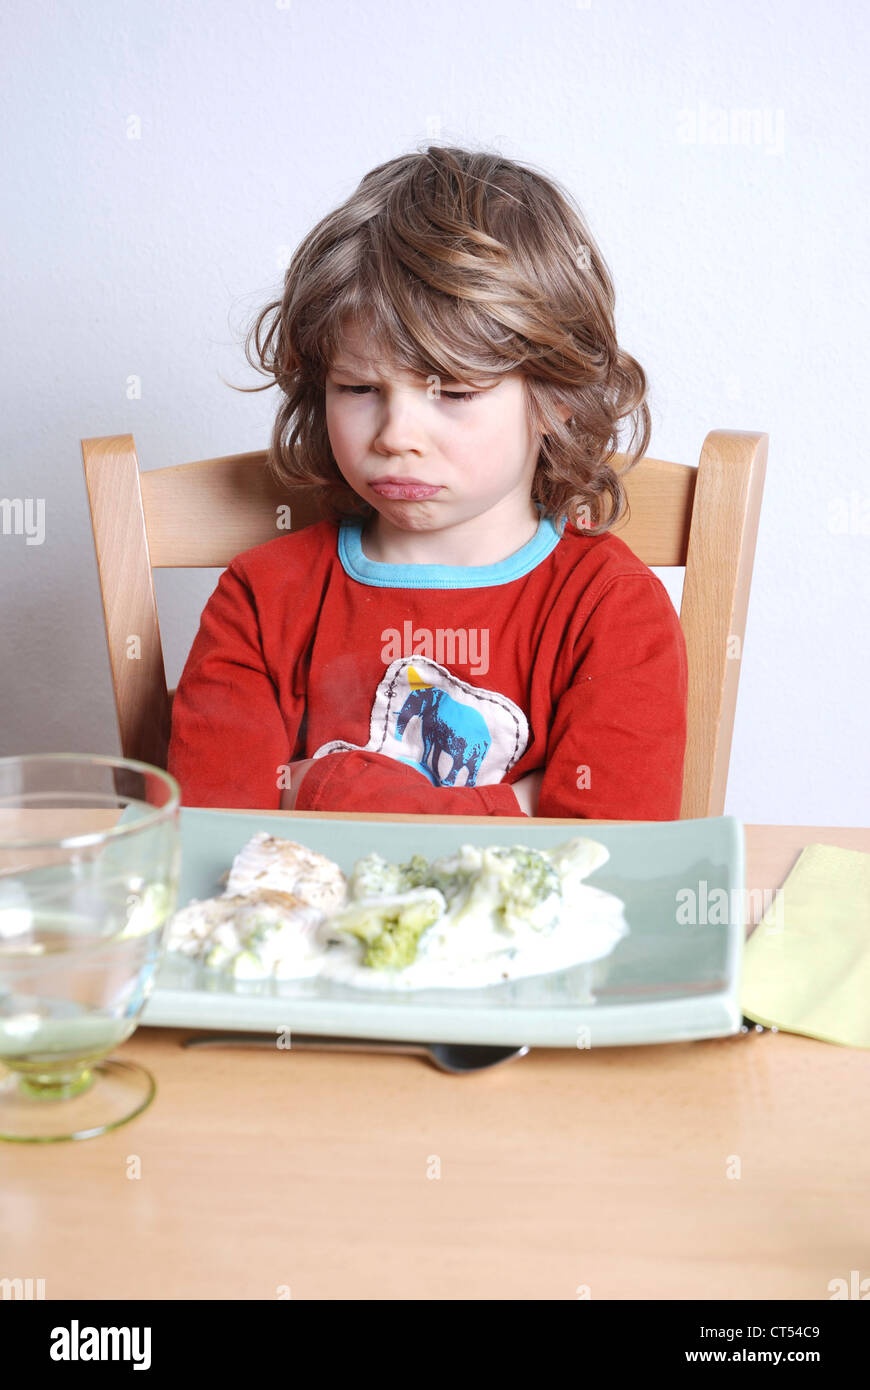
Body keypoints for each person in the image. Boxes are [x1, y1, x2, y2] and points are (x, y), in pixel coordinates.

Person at [167, 145, 687, 819]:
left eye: (455, 392)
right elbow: (214, 831)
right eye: (358, 386)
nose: (396, 435)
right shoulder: (260, 601)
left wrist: (315, 790)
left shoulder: (615, 611)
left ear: (558, 399)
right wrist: (521, 804)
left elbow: (614, 848)